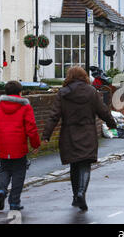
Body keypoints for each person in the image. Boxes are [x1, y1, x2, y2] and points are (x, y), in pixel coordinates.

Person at [42, 66, 117, 211]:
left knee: (74, 165)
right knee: (85, 164)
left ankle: (76, 196)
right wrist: (112, 124)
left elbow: (54, 115)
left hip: (69, 133)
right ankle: (81, 193)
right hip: (87, 132)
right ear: (84, 76)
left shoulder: (63, 93)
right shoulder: (91, 92)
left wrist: (46, 135)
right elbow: (103, 111)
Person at [0, 81, 41, 211]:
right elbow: (31, 127)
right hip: (19, 146)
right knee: (19, 173)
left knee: (4, 170)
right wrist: (35, 144)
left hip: (3, 146)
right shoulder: (25, 107)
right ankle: (14, 202)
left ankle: (1, 190)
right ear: (20, 93)